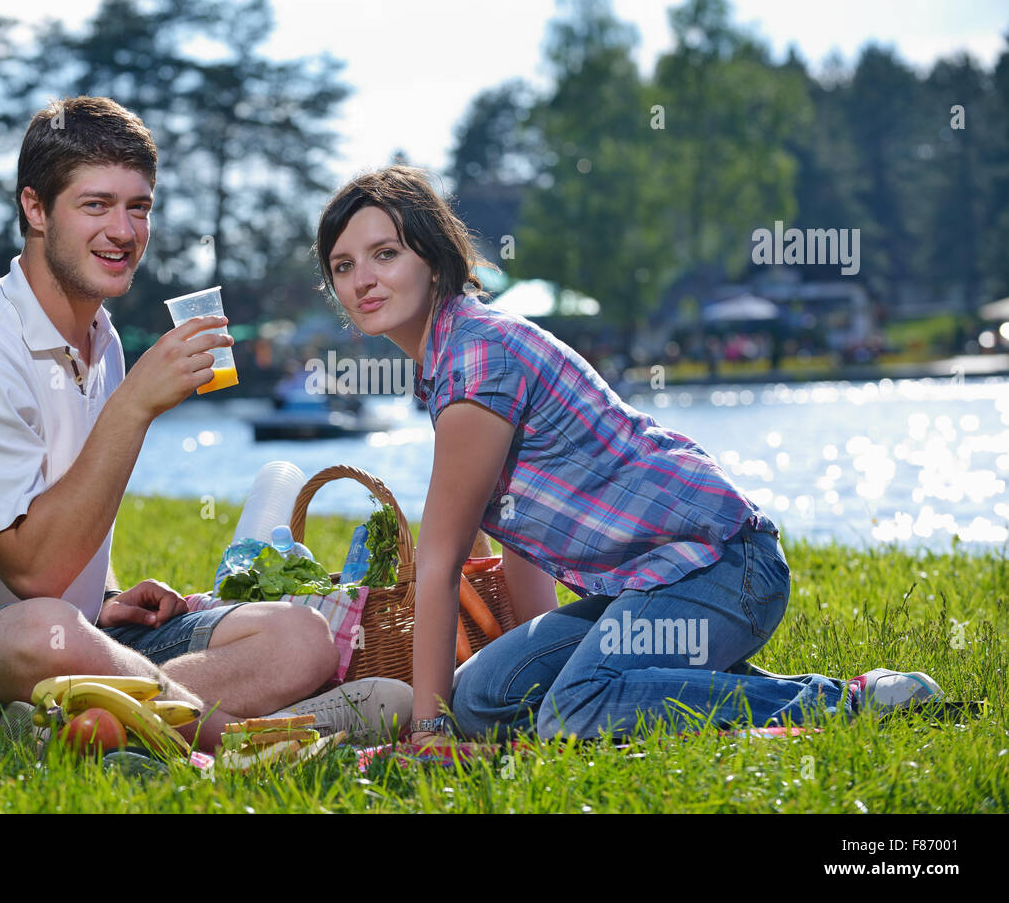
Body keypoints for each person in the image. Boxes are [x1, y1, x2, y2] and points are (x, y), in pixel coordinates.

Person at [0, 98, 409, 753]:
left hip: (64, 626)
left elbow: (62, 517)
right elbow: (33, 575)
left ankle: (76, 725)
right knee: (44, 630)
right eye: (95, 205)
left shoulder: (101, 339)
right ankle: (244, 741)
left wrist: (106, 597)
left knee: (299, 634)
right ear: (35, 209)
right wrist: (134, 405)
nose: (123, 231)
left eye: (140, 206)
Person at [314, 165, 942, 746]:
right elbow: (518, 535)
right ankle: (668, 691)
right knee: (481, 697)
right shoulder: (451, 356)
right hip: (646, 588)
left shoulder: (477, 358)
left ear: (434, 257)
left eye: (385, 254)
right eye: (343, 266)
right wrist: (531, 668)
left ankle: (848, 701)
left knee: (571, 710)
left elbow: (441, 559)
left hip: (721, 567)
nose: (362, 279)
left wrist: (427, 730)